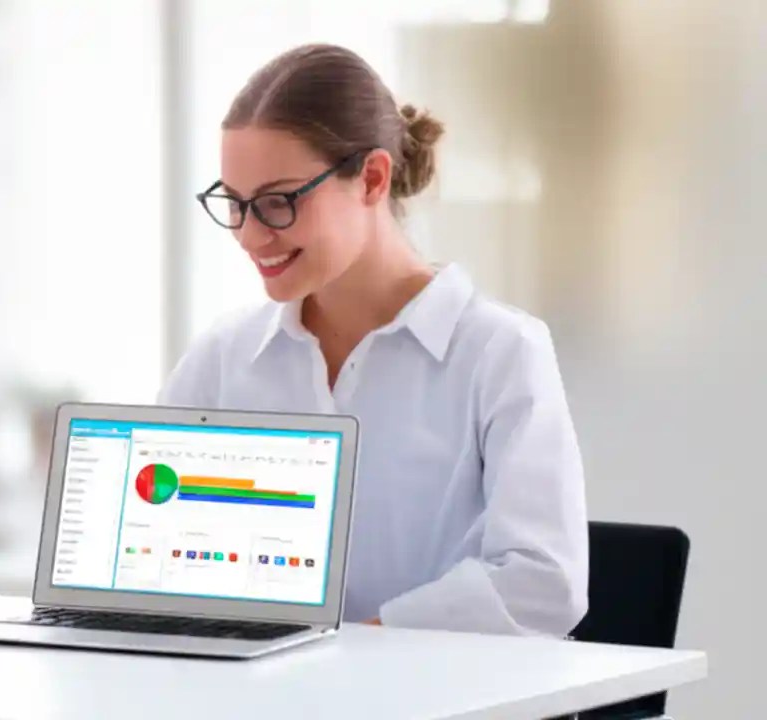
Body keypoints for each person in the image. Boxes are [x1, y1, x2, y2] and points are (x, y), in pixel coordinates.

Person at [160, 44, 588, 636]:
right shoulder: (224, 357)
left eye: (279, 202)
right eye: (235, 204)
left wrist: (353, 649)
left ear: (372, 178)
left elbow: (544, 585)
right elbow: (154, 556)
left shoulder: (499, 353)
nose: (250, 235)